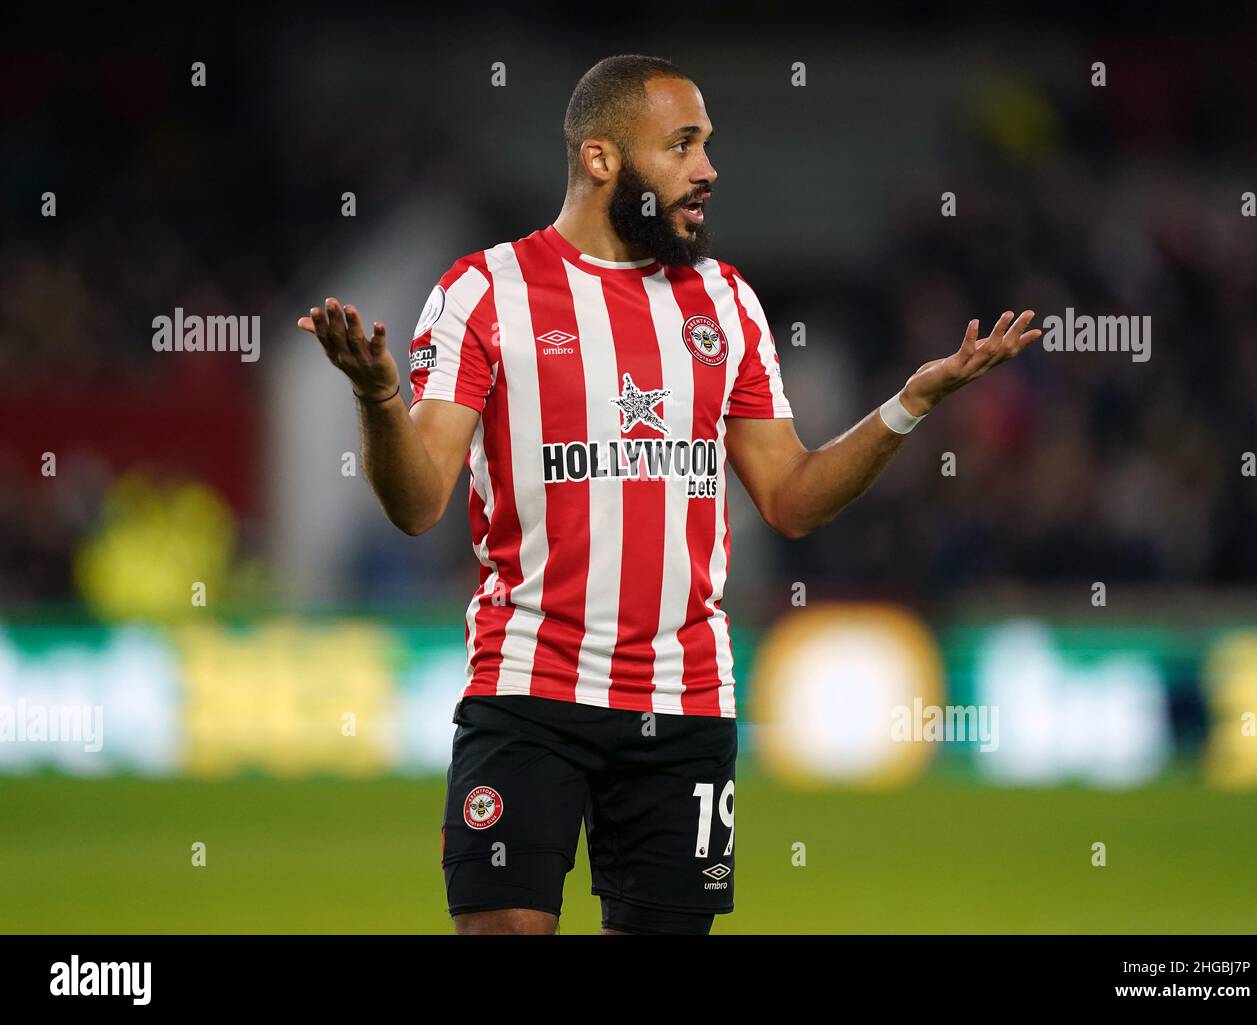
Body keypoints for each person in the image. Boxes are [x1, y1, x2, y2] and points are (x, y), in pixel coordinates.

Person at [297, 54, 1040, 934]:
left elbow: (792, 496)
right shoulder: (483, 293)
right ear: (603, 159)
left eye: (708, 146)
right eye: (682, 146)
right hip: (528, 691)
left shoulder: (724, 303)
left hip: (683, 703)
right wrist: (380, 398)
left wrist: (909, 403)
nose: (707, 170)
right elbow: (417, 500)